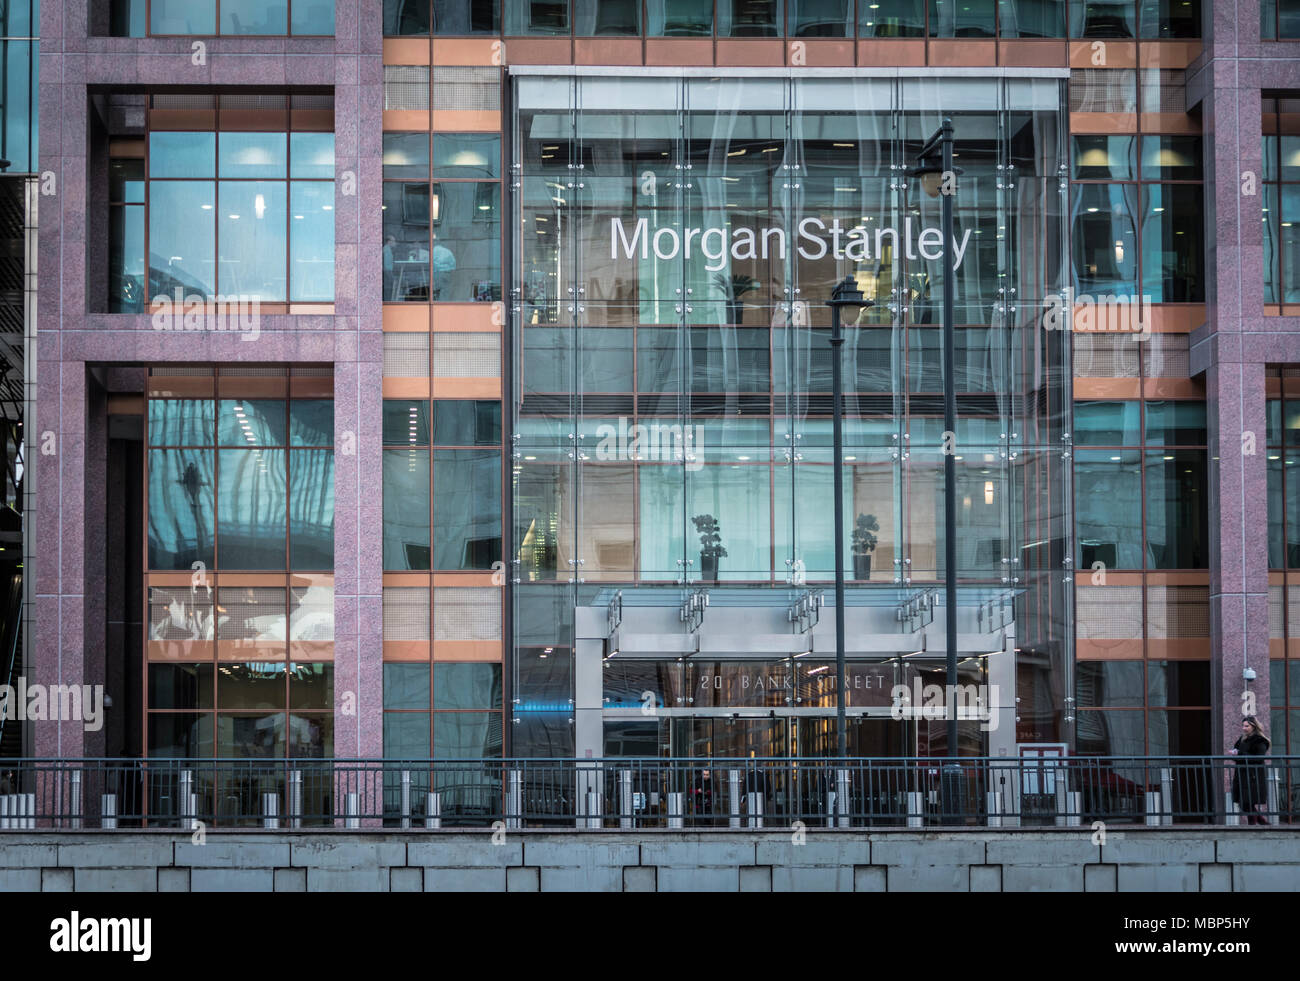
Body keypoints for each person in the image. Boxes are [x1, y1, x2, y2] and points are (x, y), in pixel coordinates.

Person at [1229, 715, 1271, 825]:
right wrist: (1235, 753)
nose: (1244, 728)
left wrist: (1239, 753)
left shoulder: (1260, 740)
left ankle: (1254, 824)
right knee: (1244, 802)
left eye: (1246, 726)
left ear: (1253, 726)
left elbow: (1258, 757)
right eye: (1243, 726)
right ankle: (1261, 822)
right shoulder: (1242, 738)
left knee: (1247, 801)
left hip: (1253, 775)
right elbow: (1237, 750)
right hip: (1242, 773)